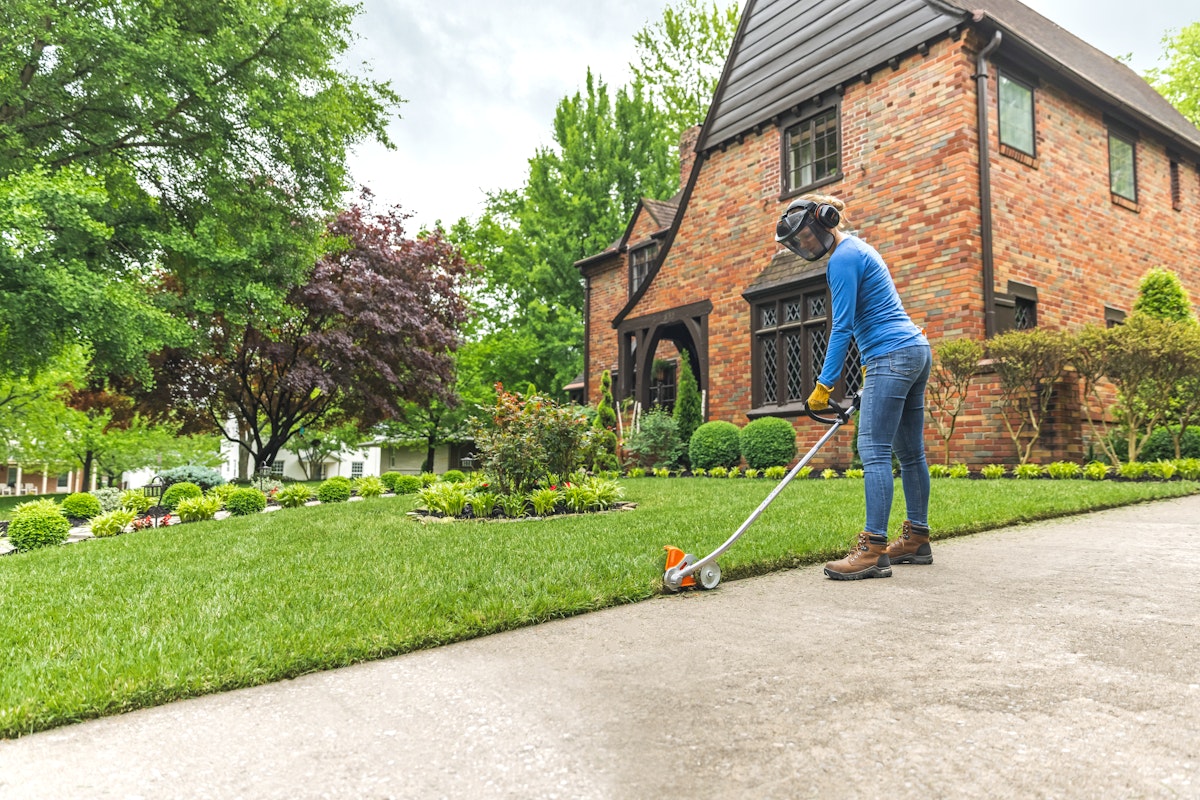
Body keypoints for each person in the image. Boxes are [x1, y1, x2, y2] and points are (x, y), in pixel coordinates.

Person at [774, 194, 932, 581]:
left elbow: (842, 325)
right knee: (910, 453)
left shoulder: (842, 259)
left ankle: (873, 550)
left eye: (807, 235)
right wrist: (866, 368)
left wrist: (824, 384)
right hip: (914, 350)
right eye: (798, 241)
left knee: (874, 450)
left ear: (825, 221)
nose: (804, 244)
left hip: (890, 354)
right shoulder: (861, 248)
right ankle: (917, 539)